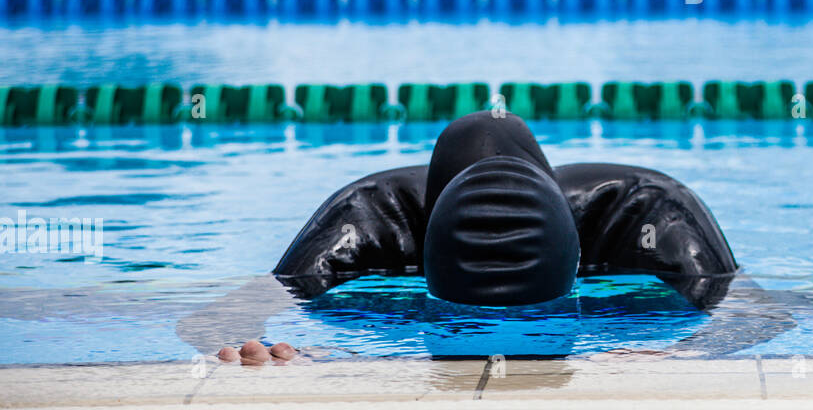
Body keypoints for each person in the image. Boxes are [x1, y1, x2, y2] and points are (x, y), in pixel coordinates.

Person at [271, 111, 738, 309]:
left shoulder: (649, 213)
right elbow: (249, 312)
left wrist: (689, 354)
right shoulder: (363, 221)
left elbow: (752, 316)